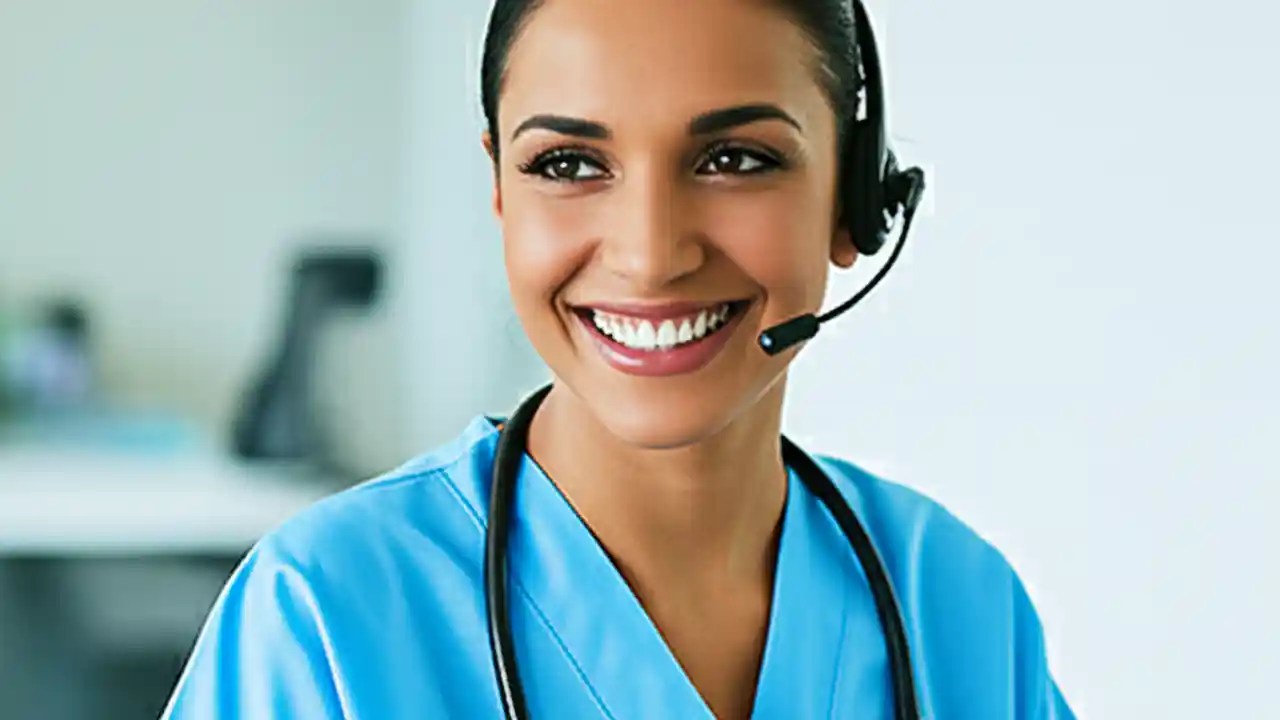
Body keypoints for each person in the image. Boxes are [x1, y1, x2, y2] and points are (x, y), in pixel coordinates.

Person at [163, 1, 1074, 717]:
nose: (649, 254)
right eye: (566, 164)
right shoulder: (326, 614)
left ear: (854, 195)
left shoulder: (953, 602)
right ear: (499, 191)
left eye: (735, 158)